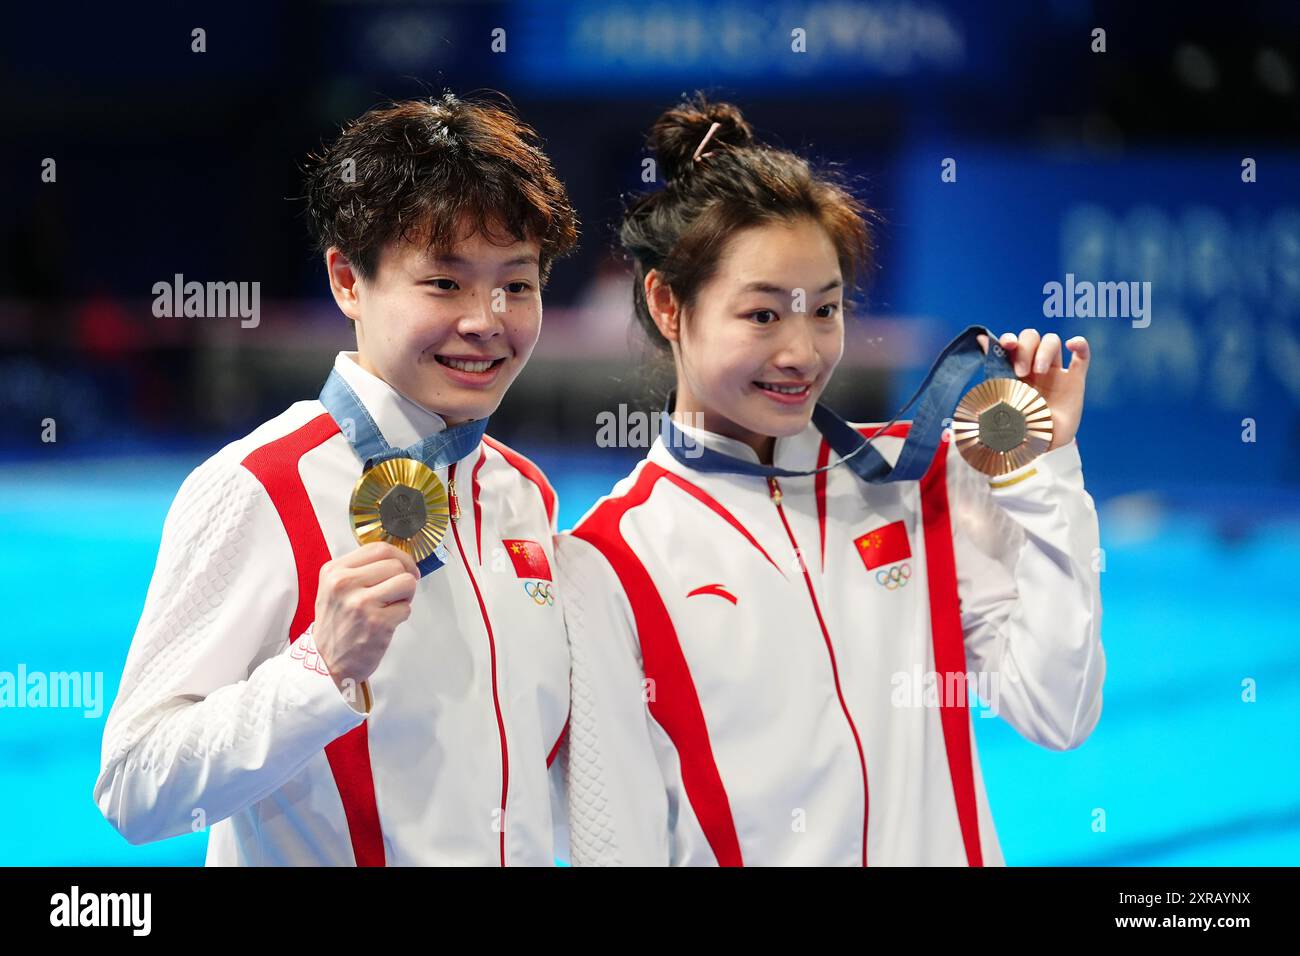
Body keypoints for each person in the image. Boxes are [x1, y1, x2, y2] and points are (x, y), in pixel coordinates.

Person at [556, 96, 1104, 866]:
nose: (802, 352)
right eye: (762, 316)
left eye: (825, 310)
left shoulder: (916, 482)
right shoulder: (611, 558)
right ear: (667, 304)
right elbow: (617, 847)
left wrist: (1041, 469)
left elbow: (1059, 709)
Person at [94, 92, 578, 866]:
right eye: (445, 284)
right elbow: (135, 790)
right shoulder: (258, 486)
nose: (488, 320)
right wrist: (317, 667)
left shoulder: (523, 495)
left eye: (516, 285)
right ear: (349, 281)